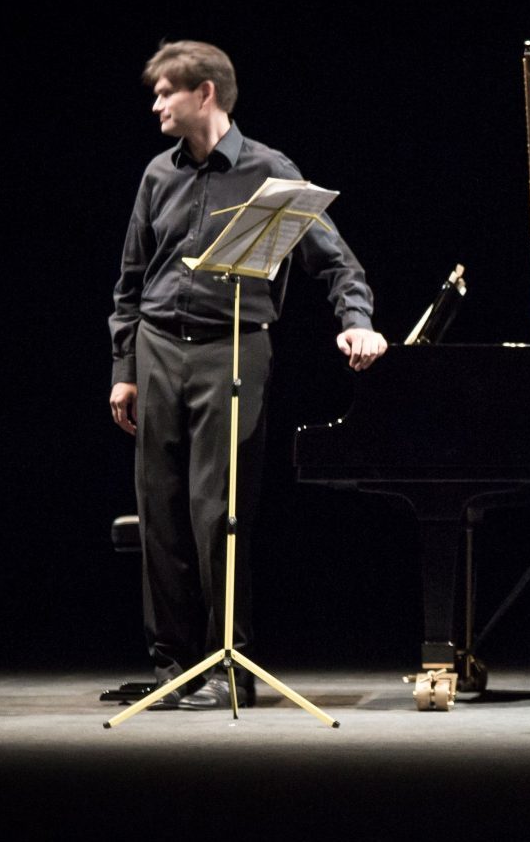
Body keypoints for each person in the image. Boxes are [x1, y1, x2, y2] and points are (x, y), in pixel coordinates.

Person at [107, 39, 387, 710]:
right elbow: (129, 281)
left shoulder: (270, 170)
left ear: (204, 94)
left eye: (166, 91)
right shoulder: (157, 175)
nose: (156, 104)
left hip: (232, 347)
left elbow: (337, 262)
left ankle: (226, 664)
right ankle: (174, 664)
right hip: (157, 347)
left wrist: (355, 318)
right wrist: (124, 368)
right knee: (159, 513)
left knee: (216, 511)